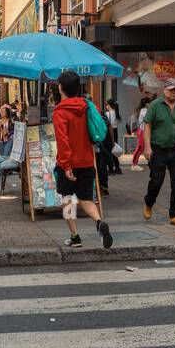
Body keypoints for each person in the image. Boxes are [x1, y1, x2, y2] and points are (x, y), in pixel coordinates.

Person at [52, 70, 112, 249]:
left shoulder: (60, 112)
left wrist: (66, 165)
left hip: (68, 164)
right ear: (78, 88)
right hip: (87, 161)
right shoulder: (88, 106)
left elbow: (63, 141)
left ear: (61, 87)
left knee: (67, 199)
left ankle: (75, 236)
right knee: (86, 199)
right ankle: (99, 222)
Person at [143, 80, 175, 226]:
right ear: (164, 90)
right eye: (171, 90)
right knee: (156, 181)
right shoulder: (155, 105)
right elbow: (147, 125)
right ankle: (149, 203)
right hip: (158, 150)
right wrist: (147, 147)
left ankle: (174, 215)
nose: (173, 92)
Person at [131, 98, 151, 170]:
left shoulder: (142, 110)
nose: (150, 104)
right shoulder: (143, 111)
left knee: (142, 148)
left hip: (144, 130)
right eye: (149, 103)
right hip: (142, 130)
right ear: (146, 104)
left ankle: (135, 163)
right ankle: (134, 164)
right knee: (140, 148)